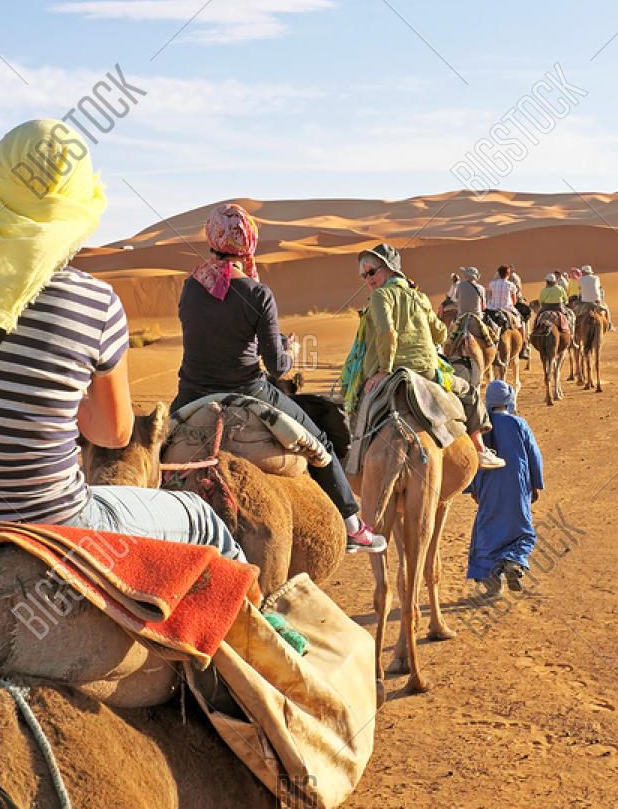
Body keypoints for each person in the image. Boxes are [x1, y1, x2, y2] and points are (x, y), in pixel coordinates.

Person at [0, 118, 244, 563]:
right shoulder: (95, 302)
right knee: (201, 518)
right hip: (52, 524)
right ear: (76, 202)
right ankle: (264, 629)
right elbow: (113, 433)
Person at [174, 203, 386, 554]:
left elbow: (208, 334)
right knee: (320, 442)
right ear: (249, 244)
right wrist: (290, 351)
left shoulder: (190, 288)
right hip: (249, 391)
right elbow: (277, 369)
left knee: (153, 451)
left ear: (211, 238)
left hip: (191, 393)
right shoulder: (258, 294)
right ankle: (351, 525)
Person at [340, 243, 504, 469]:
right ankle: (480, 450)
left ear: (389, 269)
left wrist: (383, 371)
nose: (368, 279)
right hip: (426, 372)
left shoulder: (380, 296)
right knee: (469, 392)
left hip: (389, 372)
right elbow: (440, 333)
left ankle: (349, 461)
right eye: (364, 275)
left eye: (371, 272)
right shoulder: (420, 298)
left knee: (351, 403)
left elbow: (387, 332)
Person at [466, 379, 544, 595]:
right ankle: (513, 561)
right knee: (521, 528)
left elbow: (472, 457)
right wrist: (536, 484)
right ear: (509, 400)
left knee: (486, 531)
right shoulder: (520, 424)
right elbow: (534, 456)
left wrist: (472, 488)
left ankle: (490, 578)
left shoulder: (479, 428)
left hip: (488, 486)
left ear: (488, 401)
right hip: (518, 486)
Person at [577, 264, 611, 330]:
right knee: (606, 308)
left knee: (576, 312)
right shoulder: (596, 278)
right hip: (597, 301)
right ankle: (610, 324)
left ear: (584, 272)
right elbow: (598, 287)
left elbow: (580, 288)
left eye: (582, 272)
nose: (582, 273)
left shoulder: (580, 279)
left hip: (585, 302)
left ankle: (576, 327)